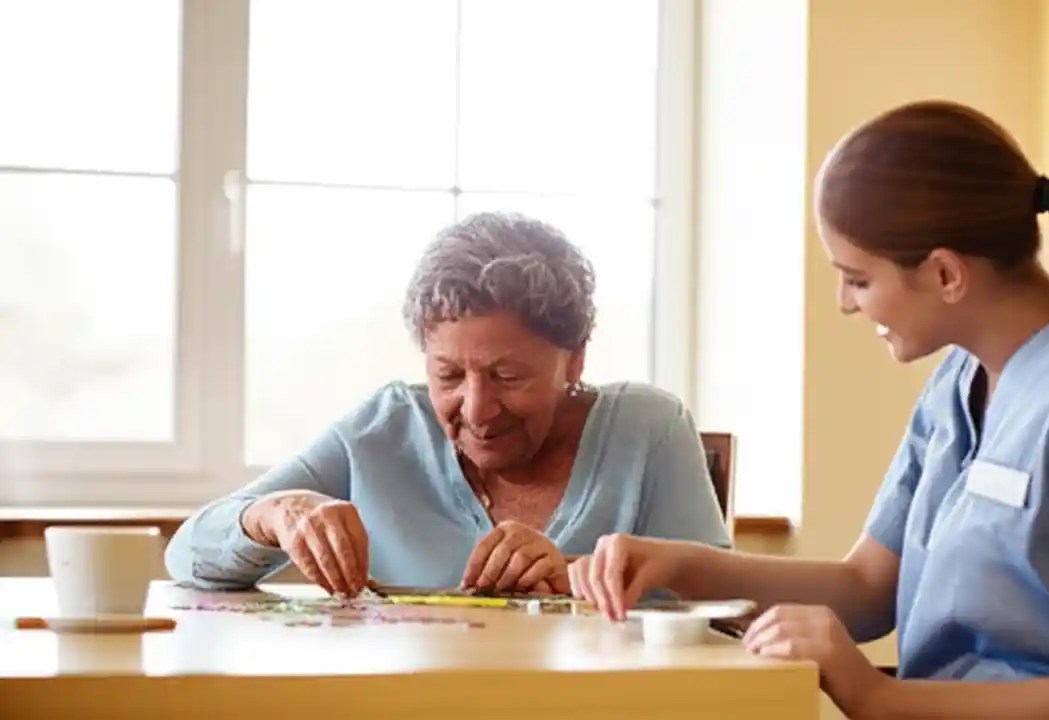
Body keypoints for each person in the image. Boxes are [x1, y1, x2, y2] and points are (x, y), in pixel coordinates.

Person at [568, 101, 1049, 718]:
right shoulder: (960, 379)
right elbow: (868, 589)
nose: (844, 303)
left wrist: (880, 697)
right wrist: (680, 568)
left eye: (858, 279)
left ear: (947, 274)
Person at [165, 212, 729, 597]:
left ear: (574, 361)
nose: (478, 410)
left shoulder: (650, 430)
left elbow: (730, 606)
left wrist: (577, 578)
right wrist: (273, 515)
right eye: (449, 374)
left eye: (508, 376)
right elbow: (187, 557)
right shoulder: (381, 432)